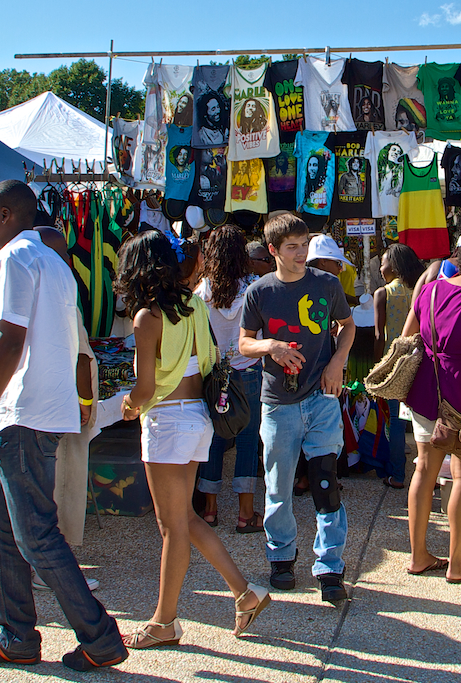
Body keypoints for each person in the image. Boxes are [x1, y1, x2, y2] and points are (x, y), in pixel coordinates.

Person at [0, 180, 128, 672]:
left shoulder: (13, 257)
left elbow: (10, 340)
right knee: (0, 526)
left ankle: (100, 638)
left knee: (34, 533)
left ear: (8, 214)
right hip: (39, 413)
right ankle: (16, 635)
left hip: (22, 414)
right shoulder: (54, 263)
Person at [116, 230, 271, 648]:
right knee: (183, 520)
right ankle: (244, 593)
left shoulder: (147, 317)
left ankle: (164, 621)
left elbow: (145, 389)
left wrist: (128, 405)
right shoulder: (195, 306)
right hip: (198, 418)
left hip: (166, 422)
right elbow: (208, 364)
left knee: (172, 526)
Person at [239, 213, 356, 604]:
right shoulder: (259, 292)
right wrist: (271, 346)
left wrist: (338, 362)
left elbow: (348, 325)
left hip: (321, 398)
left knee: (326, 483)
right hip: (277, 403)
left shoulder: (327, 284)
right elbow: (243, 343)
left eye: (305, 245)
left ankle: (330, 568)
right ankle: (282, 558)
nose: (301, 253)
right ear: (272, 250)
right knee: (279, 487)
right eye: (292, 247)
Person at [401, 233, 461, 582]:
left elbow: (408, 335)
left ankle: (418, 556)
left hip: (424, 388)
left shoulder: (428, 291)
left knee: (424, 469)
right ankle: (457, 564)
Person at [194, 225, 264, 532]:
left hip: (213, 375)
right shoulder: (255, 287)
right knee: (249, 439)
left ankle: (209, 509)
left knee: (214, 438)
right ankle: (245, 512)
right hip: (248, 369)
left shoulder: (201, 292)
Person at [372, 243, 425, 489]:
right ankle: (430, 474)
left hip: (396, 366)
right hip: (423, 361)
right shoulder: (422, 290)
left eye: (382, 263)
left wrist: (376, 367)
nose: (380, 268)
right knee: (424, 419)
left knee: (397, 421)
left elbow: (379, 336)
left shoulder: (383, 294)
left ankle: (397, 475)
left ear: (392, 266)